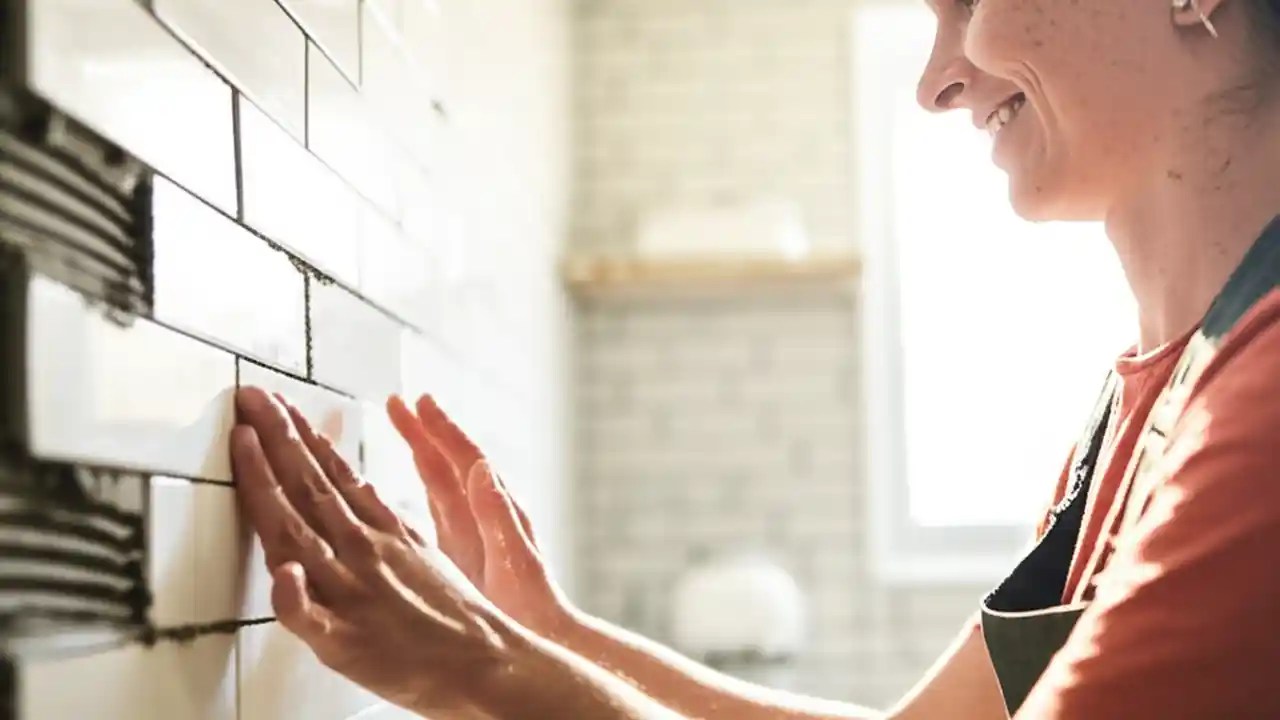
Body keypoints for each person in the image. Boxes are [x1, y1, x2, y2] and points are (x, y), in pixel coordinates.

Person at [229, 0, 1280, 717]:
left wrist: (487, 666)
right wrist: (546, 637)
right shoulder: (1141, 407)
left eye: (965, 1)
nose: (934, 83)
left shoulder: (1265, 397)